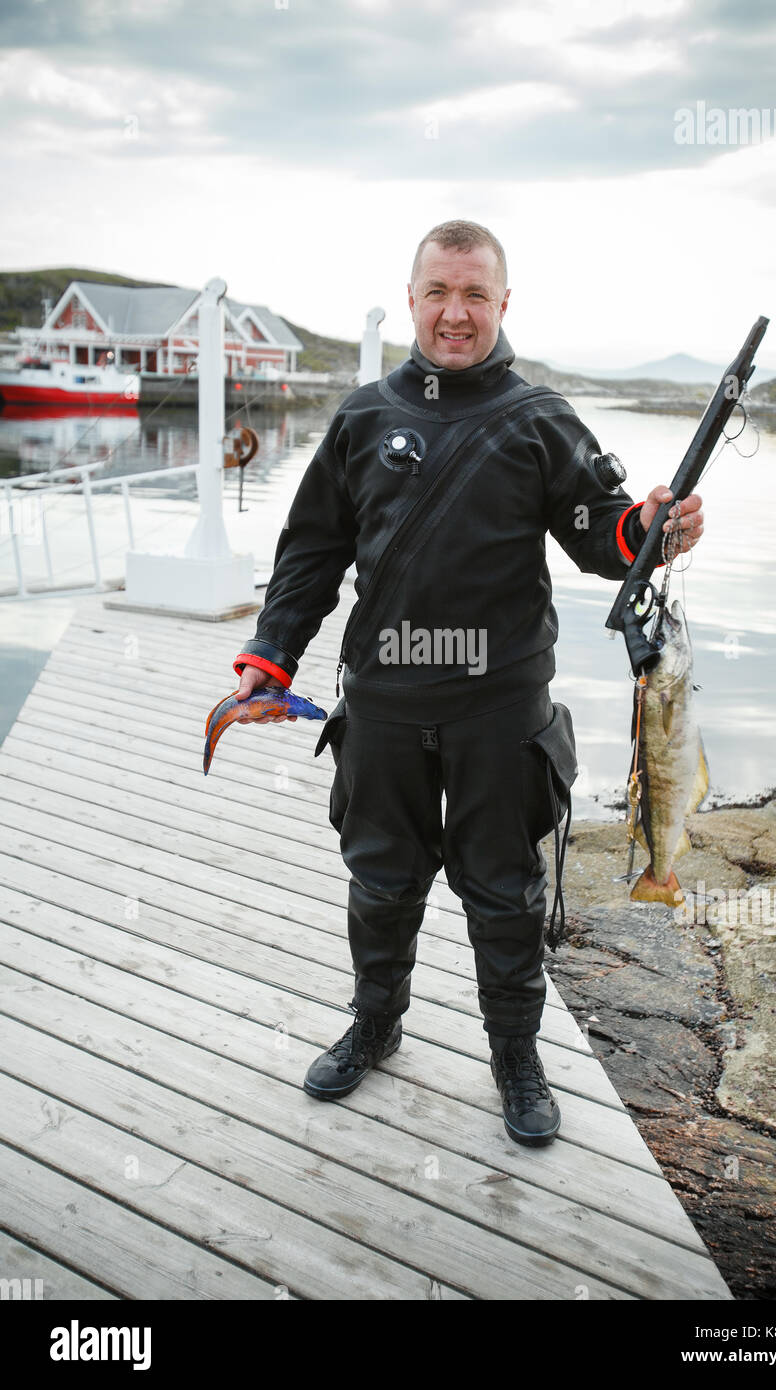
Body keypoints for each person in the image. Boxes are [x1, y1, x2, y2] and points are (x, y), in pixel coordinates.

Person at [228, 220, 704, 1147]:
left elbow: (599, 530)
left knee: (506, 894)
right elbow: (313, 550)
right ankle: (376, 1022)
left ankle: (516, 1056)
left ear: (502, 303)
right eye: (439, 293)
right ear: (412, 299)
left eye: (474, 295)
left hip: (500, 709)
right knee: (380, 884)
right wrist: (269, 657)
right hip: (386, 704)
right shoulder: (363, 417)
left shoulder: (540, 418)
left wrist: (651, 524)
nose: (456, 313)